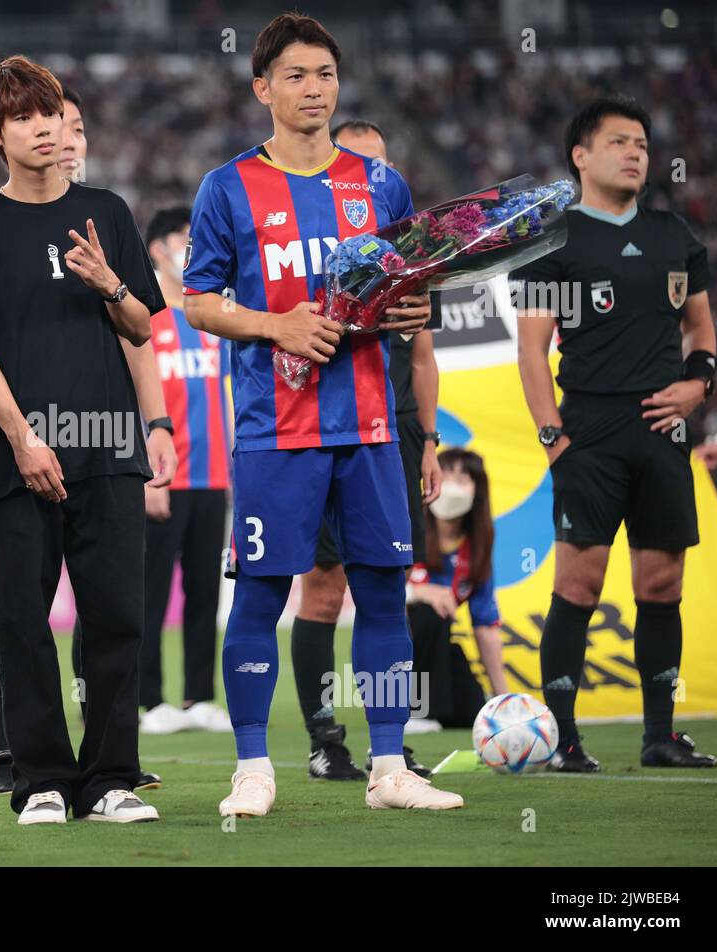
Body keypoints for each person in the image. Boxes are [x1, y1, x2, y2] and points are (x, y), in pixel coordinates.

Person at [182, 12, 464, 815]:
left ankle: (388, 768)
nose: (314, 89)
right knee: (265, 596)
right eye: (297, 76)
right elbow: (198, 301)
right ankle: (253, 769)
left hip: (372, 424)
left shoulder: (381, 185)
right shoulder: (227, 186)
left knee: (382, 594)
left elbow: (403, 293)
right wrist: (277, 325)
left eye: (326, 75)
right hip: (277, 429)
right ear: (262, 86)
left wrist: (409, 315)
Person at [0, 56, 168, 824]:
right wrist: (22, 439)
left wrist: (111, 284)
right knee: (23, 622)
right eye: (24, 117)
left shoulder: (109, 212)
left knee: (115, 618)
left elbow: (142, 328)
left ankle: (109, 780)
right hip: (19, 454)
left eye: (51, 113)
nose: (43, 129)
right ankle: (39, 780)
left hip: (107, 450)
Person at [512, 95, 717, 771]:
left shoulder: (672, 237)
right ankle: (563, 742)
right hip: (589, 434)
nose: (636, 153)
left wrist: (698, 384)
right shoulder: (553, 239)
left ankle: (660, 736)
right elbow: (531, 351)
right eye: (620, 142)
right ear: (581, 155)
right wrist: (554, 440)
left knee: (662, 587)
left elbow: (700, 330)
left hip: (662, 435)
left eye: (643, 145)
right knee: (578, 586)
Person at [288, 119, 443, 782]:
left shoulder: (408, 266)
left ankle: (391, 743)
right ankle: (325, 741)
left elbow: (425, 358)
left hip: (399, 432)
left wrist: (432, 442)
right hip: (331, 424)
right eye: (359, 165)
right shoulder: (309, 254)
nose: (371, 179)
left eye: (380, 167)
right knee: (324, 590)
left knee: (387, 586)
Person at [134, 206, 234, 736]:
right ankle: (149, 701)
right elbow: (131, 398)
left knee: (204, 594)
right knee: (148, 594)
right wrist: (146, 476)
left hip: (214, 477)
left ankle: (200, 696)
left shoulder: (210, 316)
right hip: (163, 478)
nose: (193, 246)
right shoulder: (144, 318)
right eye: (183, 238)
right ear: (158, 250)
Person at [406, 449, 507, 728]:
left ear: (478, 491)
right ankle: (413, 710)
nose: (451, 486)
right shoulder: (408, 527)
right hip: (393, 649)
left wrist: (504, 698)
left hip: (438, 647)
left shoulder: (476, 549)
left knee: (472, 713)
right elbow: (370, 593)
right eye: (445, 475)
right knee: (430, 612)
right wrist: (418, 593)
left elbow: (485, 625)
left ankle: (437, 708)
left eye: (463, 478)